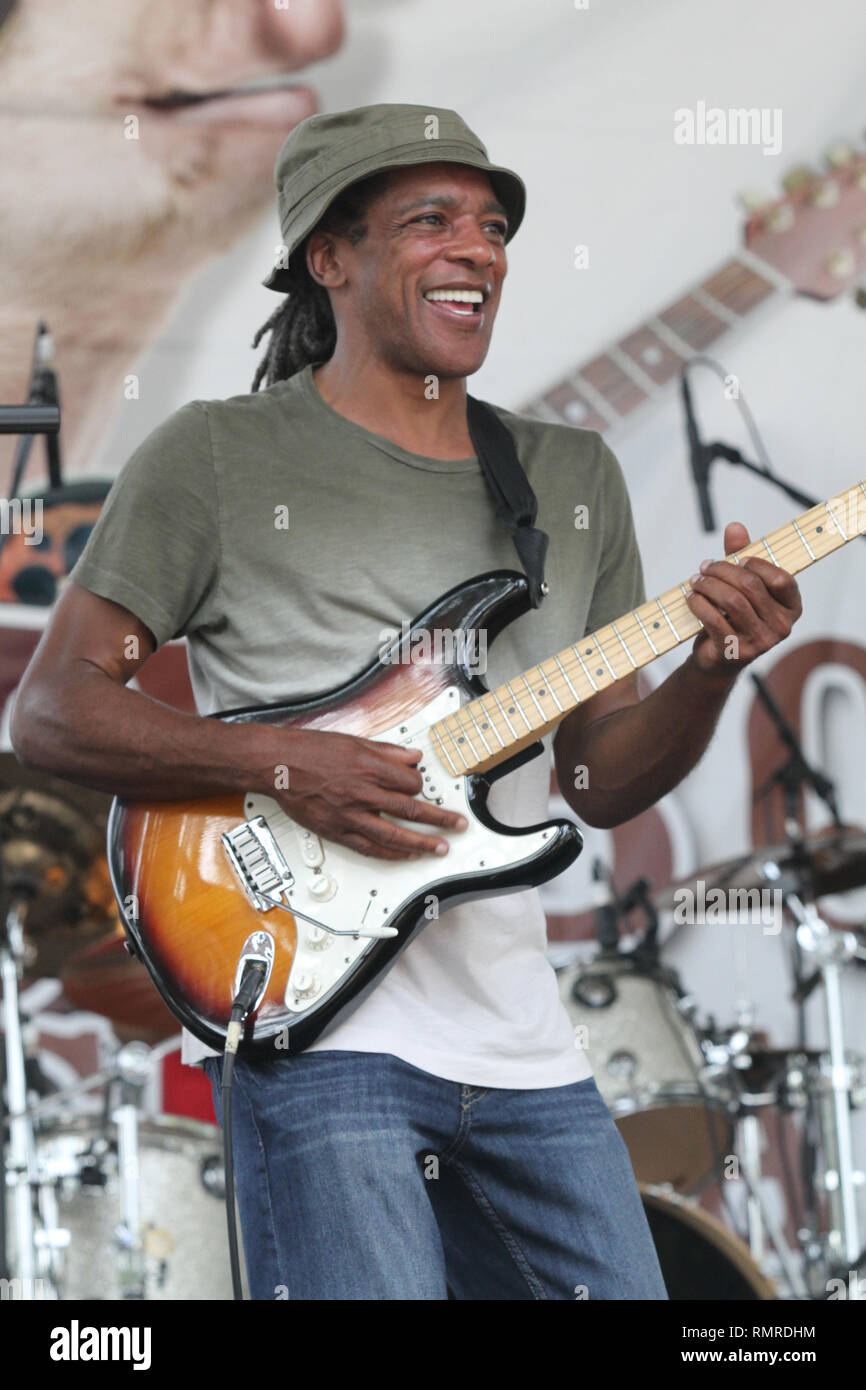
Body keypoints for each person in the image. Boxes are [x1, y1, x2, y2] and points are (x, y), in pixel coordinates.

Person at [11, 103, 802, 1300]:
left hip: (524, 1041)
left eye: (489, 226)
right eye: (428, 220)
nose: (476, 248)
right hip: (312, 1030)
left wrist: (709, 668)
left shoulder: (568, 478)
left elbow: (596, 781)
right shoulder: (214, 458)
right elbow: (53, 714)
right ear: (328, 258)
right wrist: (287, 765)